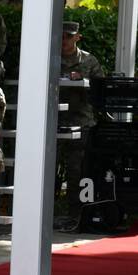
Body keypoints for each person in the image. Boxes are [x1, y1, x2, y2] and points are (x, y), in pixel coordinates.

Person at [57, 21, 107, 231]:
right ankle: (43, 213)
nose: (64, 40)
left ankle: (75, 215)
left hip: (81, 122)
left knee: (77, 171)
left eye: (68, 36)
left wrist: (83, 80)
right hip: (53, 121)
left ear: (78, 37)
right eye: (61, 36)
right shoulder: (49, 58)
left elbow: (101, 90)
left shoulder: (88, 60)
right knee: (45, 170)